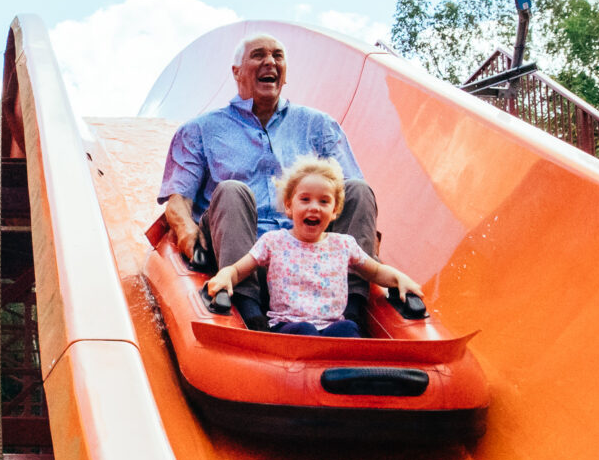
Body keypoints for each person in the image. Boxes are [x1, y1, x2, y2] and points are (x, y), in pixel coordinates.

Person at [159, 31, 380, 327]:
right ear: (236, 72)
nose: (270, 62)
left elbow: (351, 199)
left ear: (284, 74)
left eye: (277, 56)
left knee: (358, 189)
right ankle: (248, 310)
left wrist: (371, 246)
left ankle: (353, 311)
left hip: (312, 251)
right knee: (232, 190)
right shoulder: (199, 130)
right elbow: (177, 202)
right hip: (238, 252)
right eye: (258, 55)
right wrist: (188, 234)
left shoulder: (319, 125)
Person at [206, 158, 421, 336]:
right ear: (289, 206)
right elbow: (239, 269)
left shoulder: (343, 244)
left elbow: (375, 271)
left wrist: (399, 279)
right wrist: (226, 275)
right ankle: (254, 320)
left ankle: (350, 365)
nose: (314, 207)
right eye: (305, 200)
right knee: (305, 330)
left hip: (331, 323)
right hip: (288, 324)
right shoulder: (274, 242)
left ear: (335, 211)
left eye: (324, 202)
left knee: (348, 328)